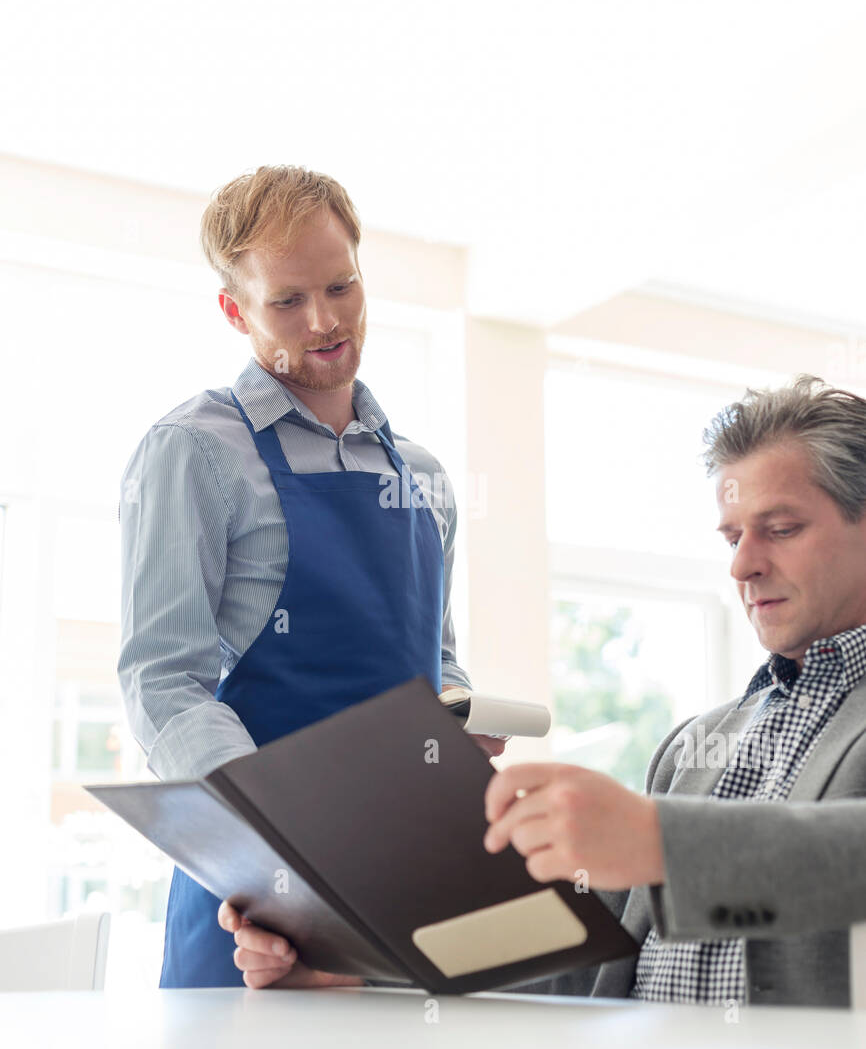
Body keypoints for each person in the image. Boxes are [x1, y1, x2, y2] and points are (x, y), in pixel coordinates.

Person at [226, 374, 866, 1007]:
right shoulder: (694, 747)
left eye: (780, 529)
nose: (741, 565)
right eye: (732, 538)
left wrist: (659, 842)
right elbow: (580, 958)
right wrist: (363, 966)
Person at [118, 163, 503, 989]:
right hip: (257, 895)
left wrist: (459, 727)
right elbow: (163, 680)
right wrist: (266, 834)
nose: (325, 322)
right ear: (235, 308)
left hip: (404, 877)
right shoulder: (193, 451)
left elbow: (436, 664)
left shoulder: (425, 477)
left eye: (343, 287)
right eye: (288, 301)